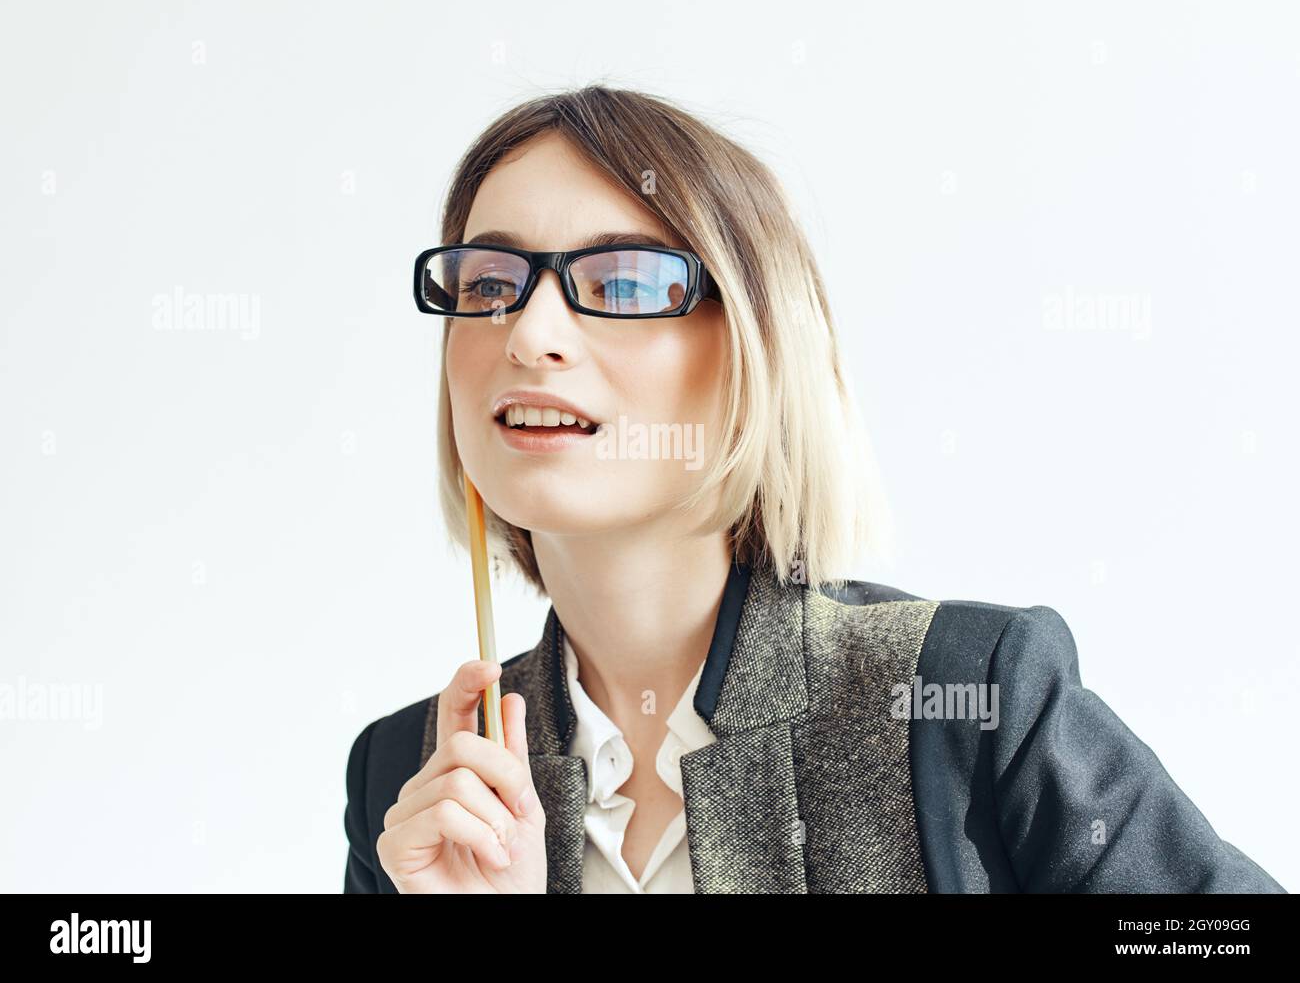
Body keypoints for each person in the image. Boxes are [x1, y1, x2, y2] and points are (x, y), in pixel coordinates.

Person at [343, 85, 1285, 894]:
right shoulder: (411, 774)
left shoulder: (965, 694)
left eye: (623, 282)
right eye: (489, 281)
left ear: (756, 347)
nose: (528, 331)